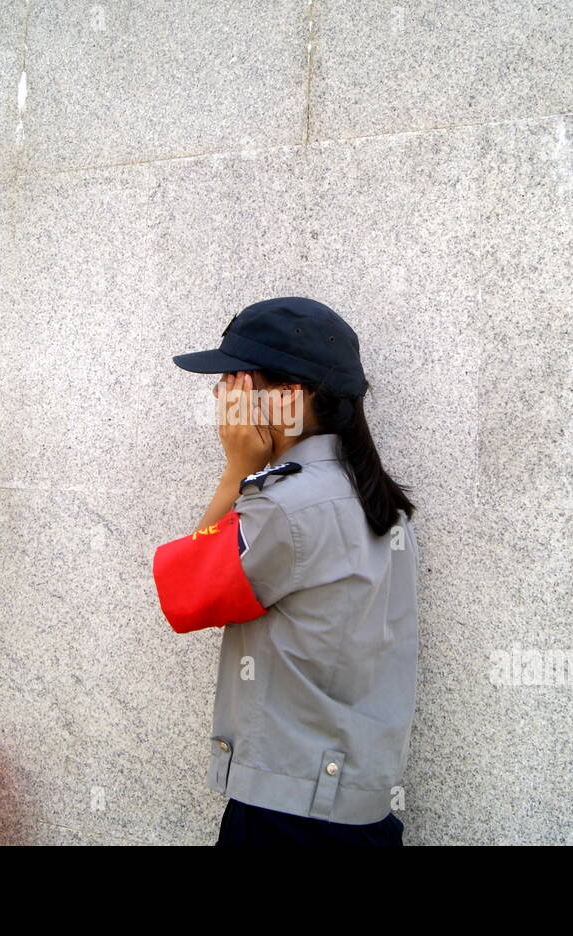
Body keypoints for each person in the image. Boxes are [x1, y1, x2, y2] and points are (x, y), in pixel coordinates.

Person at [151, 296, 420, 846]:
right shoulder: (366, 493)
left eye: (234, 380)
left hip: (291, 816)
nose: (218, 395)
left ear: (288, 399)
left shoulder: (284, 507)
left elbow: (183, 595)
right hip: (351, 804)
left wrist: (235, 473)